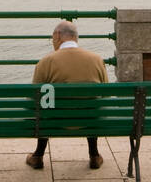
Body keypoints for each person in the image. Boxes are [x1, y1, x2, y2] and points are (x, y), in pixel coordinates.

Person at [26, 20, 108, 170]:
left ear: (57, 36)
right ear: (75, 37)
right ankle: (94, 154)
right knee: (92, 103)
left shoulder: (46, 62)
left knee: (44, 108)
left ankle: (38, 156)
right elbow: (106, 96)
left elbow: (34, 99)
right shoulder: (97, 60)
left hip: (56, 122)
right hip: (89, 120)